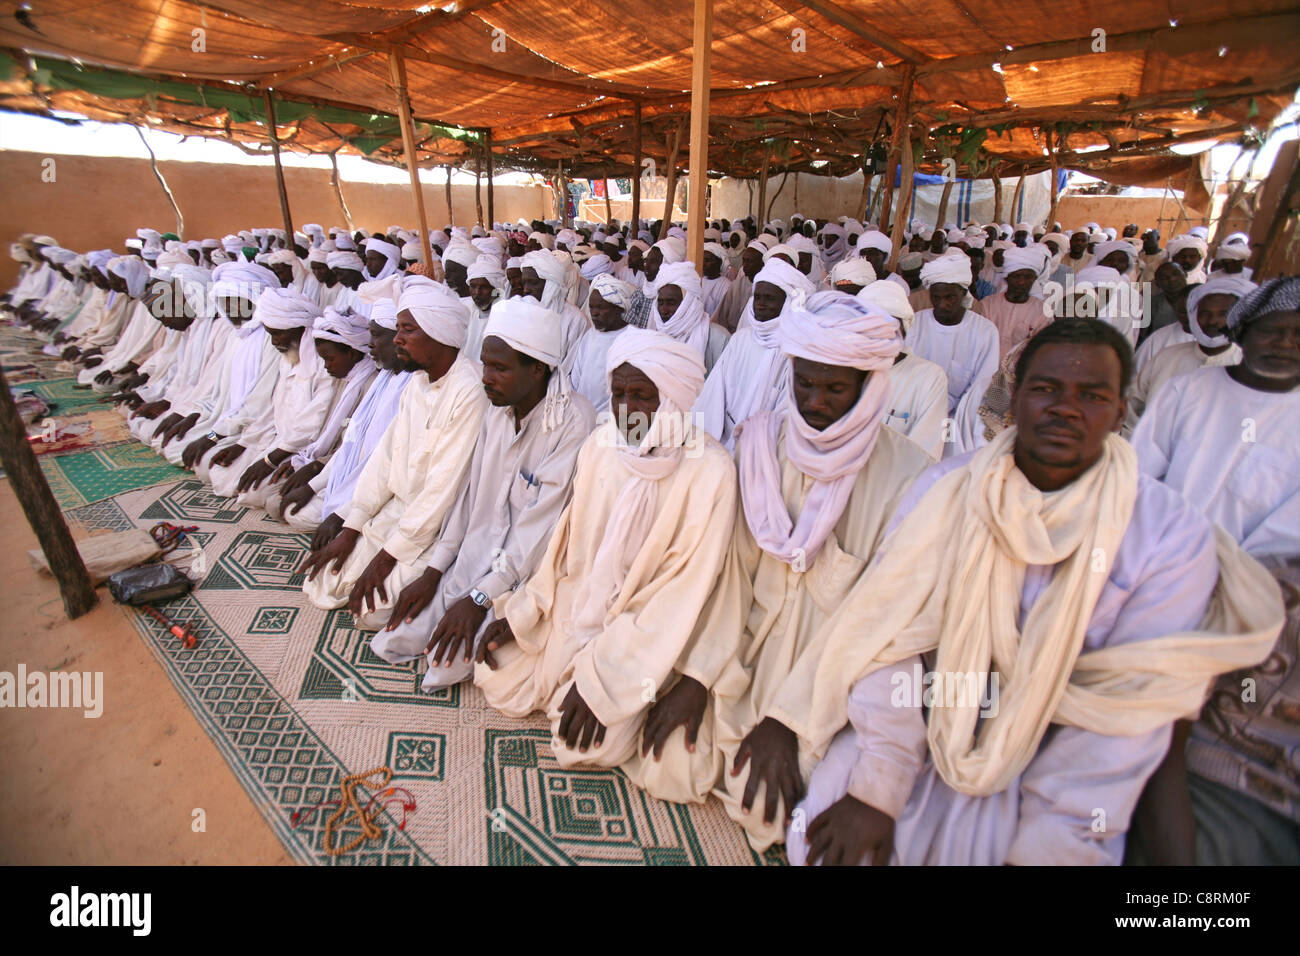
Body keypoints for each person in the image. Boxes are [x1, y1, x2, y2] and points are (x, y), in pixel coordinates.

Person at [780, 318, 1281, 865]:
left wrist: (1052, 842)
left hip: (1063, 756)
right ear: (1014, 400)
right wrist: (879, 786)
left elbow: (1127, 711)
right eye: (1046, 389)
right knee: (818, 842)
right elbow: (885, 637)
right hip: (927, 726)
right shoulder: (945, 491)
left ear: (1119, 412)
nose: (1066, 408)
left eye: (1091, 396)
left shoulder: (1168, 535)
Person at [623, 291, 933, 850]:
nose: (814, 401)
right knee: (666, 759)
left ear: (869, 388)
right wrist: (698, 676)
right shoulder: (762, 445)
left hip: (827, 673)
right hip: (741, 652)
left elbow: (876, 622)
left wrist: (788, 720)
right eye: (804, 384)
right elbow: (731, 572)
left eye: (834, 388)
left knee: (766, 807)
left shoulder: (910, 477)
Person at [473, 329, 737, 769]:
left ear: (673, 399)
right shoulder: (600, 446)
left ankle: (615, 685)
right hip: (575, 608)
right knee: (496, 673)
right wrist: (522, 613)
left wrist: (605, 677)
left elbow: (679, 595)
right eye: (618, 394)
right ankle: (569, 669)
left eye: (642, 396)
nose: (627, 410)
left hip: (644, 634)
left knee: (588, 746)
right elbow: (563, 547)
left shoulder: (710, 471)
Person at [370, 296, 596, 689]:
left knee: (457, 668)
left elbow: (538, 533)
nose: (485, 377)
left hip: (524, 575)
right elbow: (467, 499)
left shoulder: (571, 423)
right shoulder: (497, 408)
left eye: (499, 368)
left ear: (538, 368)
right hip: (472, 559)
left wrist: (480, 600)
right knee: (388, 634)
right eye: (486, 364)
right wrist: (434, 570)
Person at [299, 277, 487, 628]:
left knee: (372, 613)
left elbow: (441, 493)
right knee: (324, 580)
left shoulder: (469, 391)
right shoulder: (416, 383)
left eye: (406, 330)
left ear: (440, 333)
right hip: (396, 510)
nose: (396, 339)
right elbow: (384, 462)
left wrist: (386, 558)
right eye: (398, 329)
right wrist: (352, 529)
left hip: (436, 525)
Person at [1132, 277, 1300, 559]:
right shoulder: (1186, 391)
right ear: (1241, 332)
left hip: (1250, 582)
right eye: (1270, 330)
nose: (1285, 343)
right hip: (1156, 557)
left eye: (1299, 334)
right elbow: (1138, 477)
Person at [277, 302, 415, 541]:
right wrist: (312, 486)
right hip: (348, 479)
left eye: (377, 335)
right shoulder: (384, 379)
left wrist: (345, 511)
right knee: (284, 503)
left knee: (296, 513)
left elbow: (382, 461)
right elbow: (350, 443)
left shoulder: (409, 385)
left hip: (376, 490)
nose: (371, 344)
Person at [238, 307, 378, 512]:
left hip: (341, 465)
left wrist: (316, 468)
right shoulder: (342, 379)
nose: (327, 366)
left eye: (330, 359)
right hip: (318, 457)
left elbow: (354, 444)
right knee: (258, 494)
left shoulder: (369, 384)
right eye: (323, 359)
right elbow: (324, 435)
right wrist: (303, 462)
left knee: (285, 508)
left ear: (352, 352)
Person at [160, 262, 282, 468]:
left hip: (256, 428)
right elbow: (217, 394)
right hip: (225, 421)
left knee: (209, 466)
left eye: (233, 300)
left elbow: (259, 405)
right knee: (173, 445)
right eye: (223, 301)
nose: (227, 307)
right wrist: (198, 420)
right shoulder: (237, 335)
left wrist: (215, 436)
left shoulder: (273, 338)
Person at [696, 258, 817, 451]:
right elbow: (714, 394)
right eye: (757, 297)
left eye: (769, 298)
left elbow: (788, 412)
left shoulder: (799, 350)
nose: (760, 304)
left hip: (766, 449)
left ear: (787, 302)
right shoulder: (741, 339)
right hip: (722, 441)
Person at [1123, 274, 1253, 434]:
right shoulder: (1166, 358)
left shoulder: (1250, 367)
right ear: (1194, 316)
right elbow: (1130, 410)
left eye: (1223, 314)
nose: (1213, 321)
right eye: (1205, 313)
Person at [904, 253, 999, 457]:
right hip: (914, 413)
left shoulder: (984, 331)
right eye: (936, 297)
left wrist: (947, 422)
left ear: (963, 293)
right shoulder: (915, 323)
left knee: (947, 465)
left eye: (950, 297)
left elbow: (980, 390)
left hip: (958, 419)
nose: (942, 304)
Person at [856, 281, 949, 459]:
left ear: (904, 330)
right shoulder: (844, 370)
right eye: (872, 325)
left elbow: (925, 451)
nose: (881, 333)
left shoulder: (929, 378)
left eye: (891, 326)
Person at [650, 261, 730, 373]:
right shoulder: (656, 337)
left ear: (689, 303)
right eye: (661, 303)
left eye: (671, 303)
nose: (663, 310)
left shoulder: (718, 339)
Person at [570, 274, 634, 414]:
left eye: (600, 307)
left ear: (617, 308)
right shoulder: (589, 336)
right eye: (592, 307)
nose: (594, 313)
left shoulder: (632, 339)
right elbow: (575, 380)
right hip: (583, 416)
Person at [982, 246, 1052, 359]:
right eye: (1016, 276)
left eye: (1028, 277)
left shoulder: (1042, 312)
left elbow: (1040, 350)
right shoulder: (987, 305)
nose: (1021, 282)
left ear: (1034, 279)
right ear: (1006, 277)